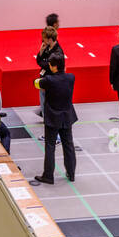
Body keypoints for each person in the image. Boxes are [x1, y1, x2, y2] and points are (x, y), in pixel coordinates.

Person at [35, 54, 77, 184]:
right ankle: (71, 173)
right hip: (66, 116)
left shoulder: (48, 80)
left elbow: (36, 83)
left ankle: (48, 175)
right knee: (68, 144)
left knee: (50, 146)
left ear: (53, 67)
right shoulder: (71, 77)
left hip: (53, 117)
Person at [34, 25, 64, 118]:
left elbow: (45, 64)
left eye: (45, 39)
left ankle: (48, 119)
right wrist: (41, 51)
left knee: (49, 104)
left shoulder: (57, 52)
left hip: (51, 81)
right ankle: (45, 117)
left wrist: (41, 61)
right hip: (45, 79)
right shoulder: (47, 47)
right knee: (43, 102)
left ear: (50, 39)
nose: (43, 41)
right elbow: (39, 60)